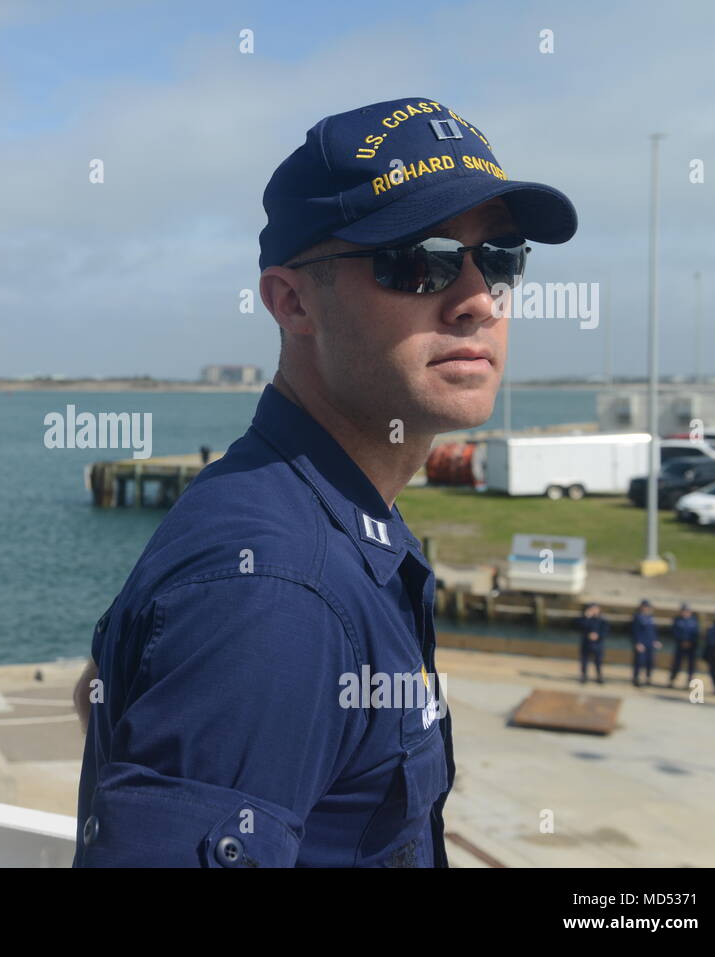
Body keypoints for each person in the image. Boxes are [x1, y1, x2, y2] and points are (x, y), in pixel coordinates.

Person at [71, 96, 577, 866]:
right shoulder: (273, 594)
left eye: (500, 257)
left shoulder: (308, 518)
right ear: (292, 301)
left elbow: (100, 695)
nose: (477, 298)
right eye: (420, 259)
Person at [667, 603, 700, 688]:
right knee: (676, 664)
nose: (685, 613)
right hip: (680, 646)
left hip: (691, 647)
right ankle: (672, 680)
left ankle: (689, 683)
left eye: (687, 611)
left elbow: (696, 634)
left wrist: (690, 642)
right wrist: (681, 641)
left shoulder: (694, 621)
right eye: (683, 611)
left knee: (691, 666)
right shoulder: (677, 620)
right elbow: (674, 632)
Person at [575, 602, 608, 684]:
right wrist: (586, 617)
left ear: (599, 610)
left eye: (595, 609)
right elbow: (578, 626)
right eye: (592, 609)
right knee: (584, 661)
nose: (594, 611)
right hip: (586, 643)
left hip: (598, 644)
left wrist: (598, 636)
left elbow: (606, 631)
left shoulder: (602, 620)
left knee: (598, 661)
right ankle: (584, 676)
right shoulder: (585, 619)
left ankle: (599, 676)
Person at [630, 600, 660, 687]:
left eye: (648, 607)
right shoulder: (637, 617)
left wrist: (655, 641)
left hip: (650, 643)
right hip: (641, 644)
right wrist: (637, 643)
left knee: (650, 662)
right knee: (639, 661)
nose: (646, 608)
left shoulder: (651, 617)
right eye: (645, 607)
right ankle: (636, 678)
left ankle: (648, 678)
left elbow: (653, 631)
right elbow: (634, 631)